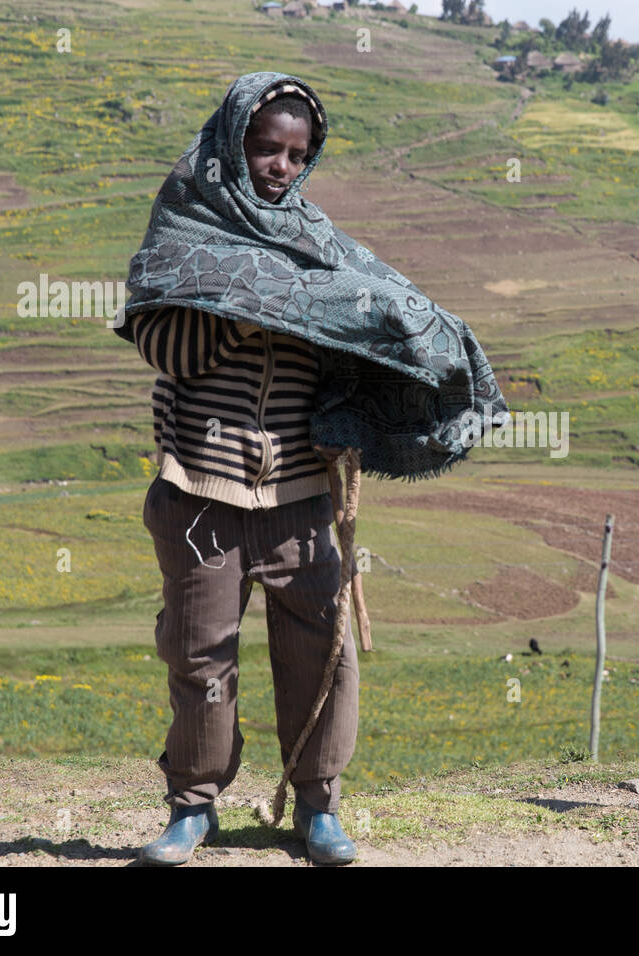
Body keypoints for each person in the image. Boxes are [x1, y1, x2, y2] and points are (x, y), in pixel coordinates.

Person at [117, 72, 508, 864]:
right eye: (265, 147)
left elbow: (353, 350)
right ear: (234, 144)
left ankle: (317, 805)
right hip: (200, 490)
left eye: (297, 154)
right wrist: (249, 296)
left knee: (322, 648)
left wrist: (351, 408)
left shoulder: (316, 247)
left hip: (300, 493)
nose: (280, 166)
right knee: (200, 658)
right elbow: (168, 351)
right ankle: (193, 805)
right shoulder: (186, 227)